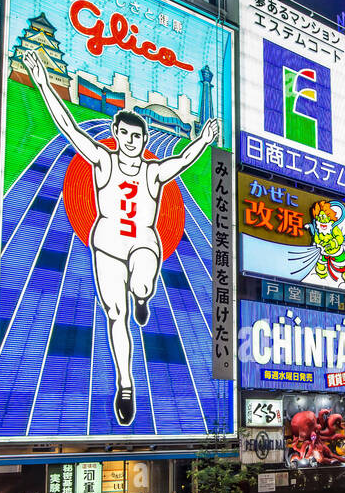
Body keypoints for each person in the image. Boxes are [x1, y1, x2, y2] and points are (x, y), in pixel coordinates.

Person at [21, 48, 220, 426]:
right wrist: (43, 80)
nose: (130, 140)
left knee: (142, 284)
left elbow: (183, 160)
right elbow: (68, 126)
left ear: (144, 139)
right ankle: (125, 384)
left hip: (144, 242)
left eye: (136, 135)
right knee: (116, 313)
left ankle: (143, 295)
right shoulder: (103, 160)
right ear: (116, 134)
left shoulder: (153, 171)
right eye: (125, 133)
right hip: (108, 245)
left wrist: (206, 139)